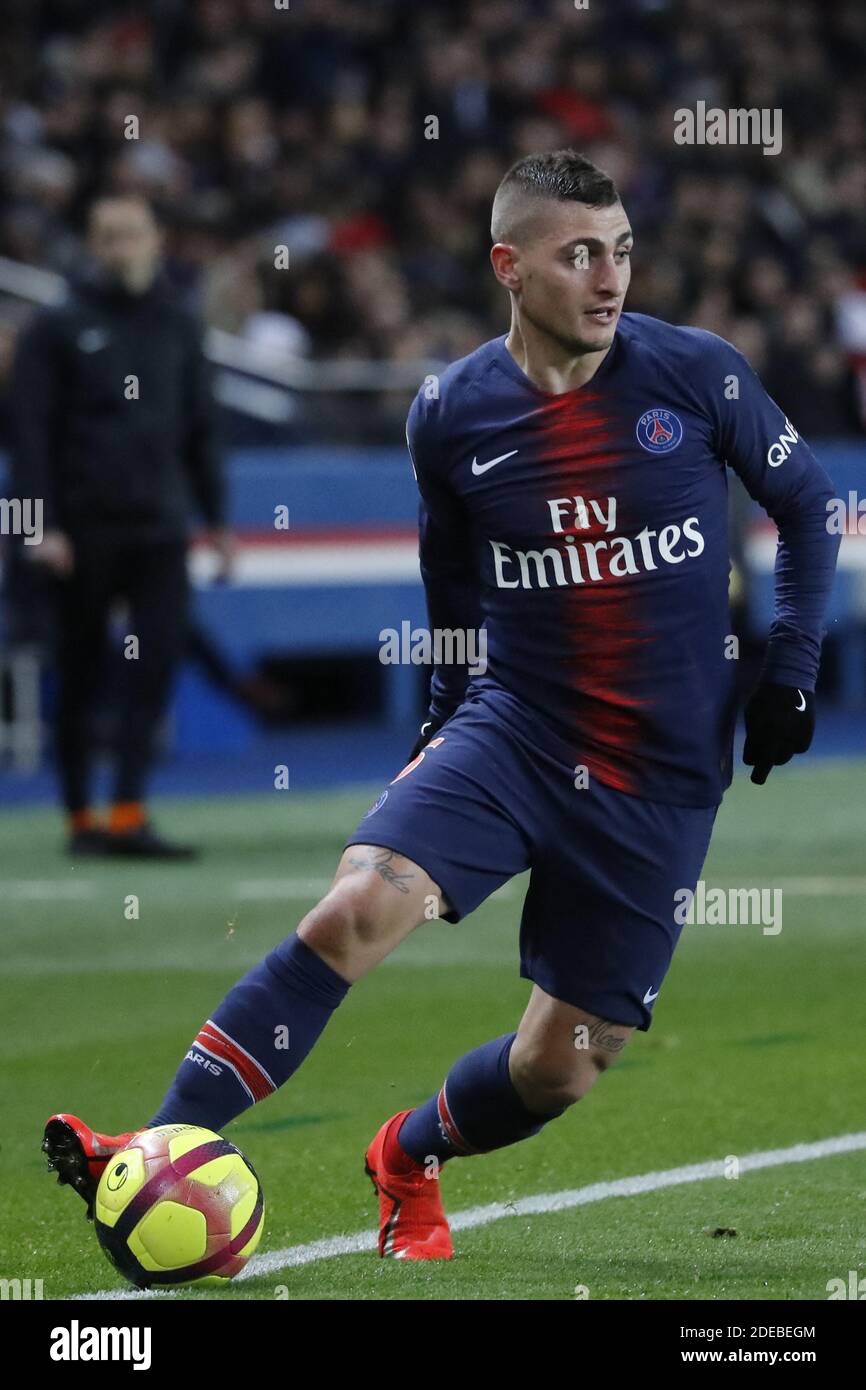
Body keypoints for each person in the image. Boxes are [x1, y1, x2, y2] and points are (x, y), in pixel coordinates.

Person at [43, 152, 839, 1259]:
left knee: (559, 1065)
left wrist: (791, 670)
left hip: (658, 774)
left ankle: (406, 1152)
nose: (609, 278)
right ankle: (154, 1147)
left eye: (618, 252)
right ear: (509, 267)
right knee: (356, 904)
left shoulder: (695, 375)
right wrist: (436, 731)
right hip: (513, 729)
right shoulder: (449, 416)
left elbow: (809, 508)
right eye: (578, 255)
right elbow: (451, 599)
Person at [11, 194, 233, 858]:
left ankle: (129, 813)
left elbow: (201, 432)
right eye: (107, 236)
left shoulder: (179, 324)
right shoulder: (55, 326)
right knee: (78, 672)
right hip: (79, 533)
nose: (120, 247)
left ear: (155, 240)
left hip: (160, 528)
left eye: (131, 234)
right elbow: (29, 437)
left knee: (155, 666)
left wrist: (218, 522)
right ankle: (81, 818)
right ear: (91, 244)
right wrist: (36, 528)